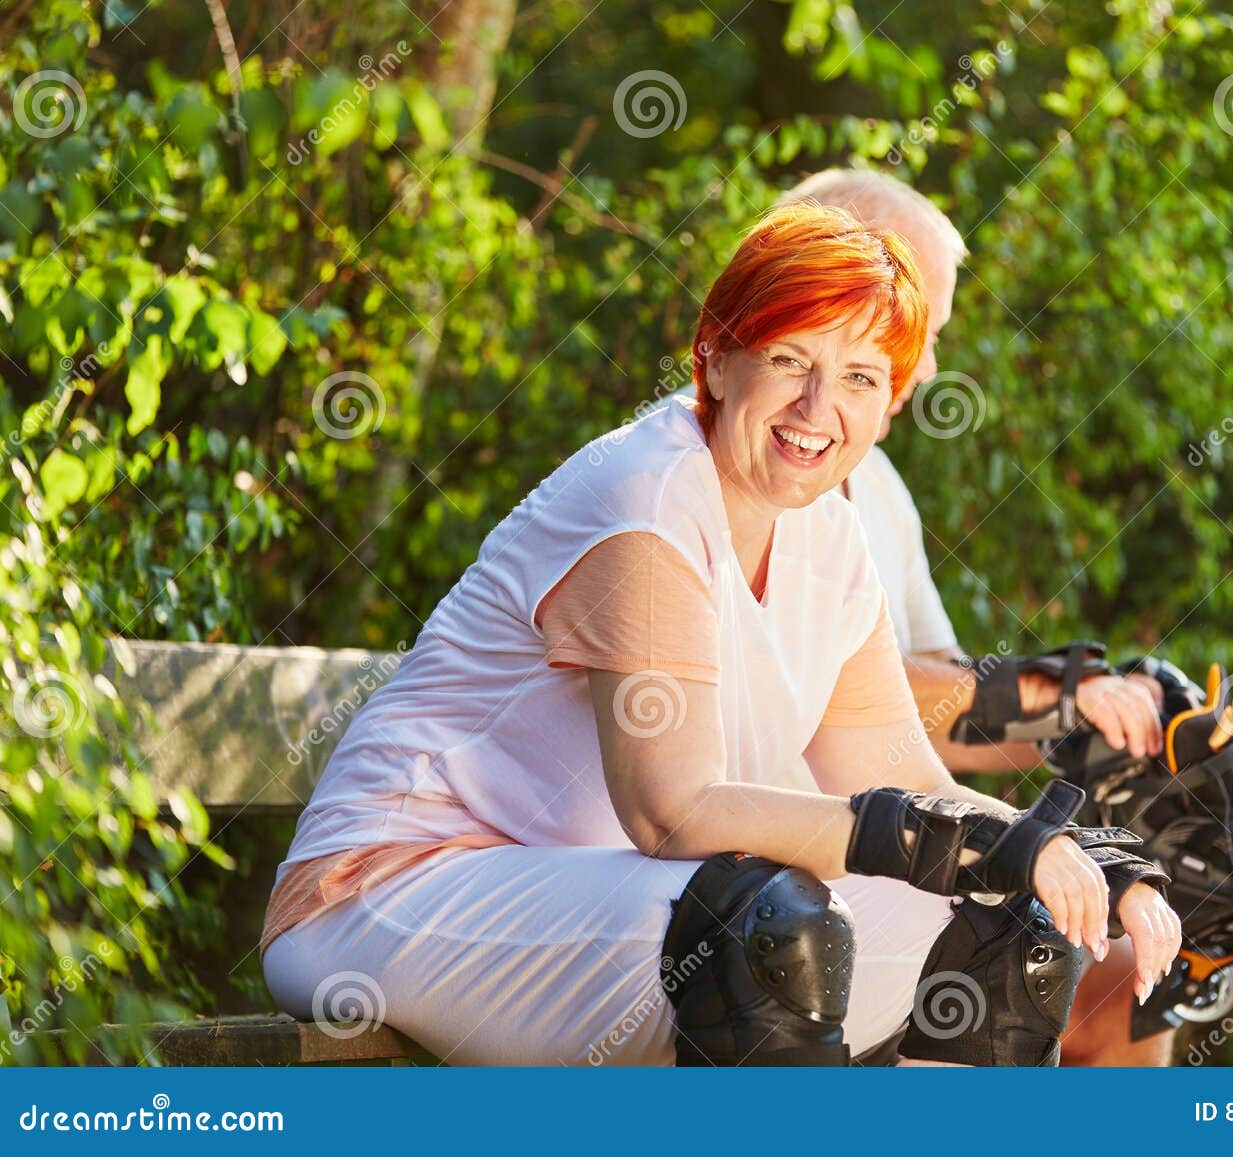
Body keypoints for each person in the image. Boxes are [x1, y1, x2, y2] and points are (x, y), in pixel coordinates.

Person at [260, 204, 1181, 1066]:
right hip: (390, 890)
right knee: (765, 933)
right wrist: (944, 839)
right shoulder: (647, 500)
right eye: (789, 359)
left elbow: (904, 782)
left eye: (859, 378)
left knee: (1010, 927)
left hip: (586, 897)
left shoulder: (828, 531)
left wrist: (1078, 859)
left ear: (889, 404)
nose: (819, 407)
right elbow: (675, 810)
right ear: (713, 360)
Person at [773, 169, 1178, 1066]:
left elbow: (941, 713)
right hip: (777, 874)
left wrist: (1085, 726)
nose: (927, 367)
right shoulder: (768, 469)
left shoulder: (875, 483)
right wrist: (1058, 695)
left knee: (1131, 988)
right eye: (917, 322)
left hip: (873, 845)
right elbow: (877, 701)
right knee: (1026, 956)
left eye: (932, 333)